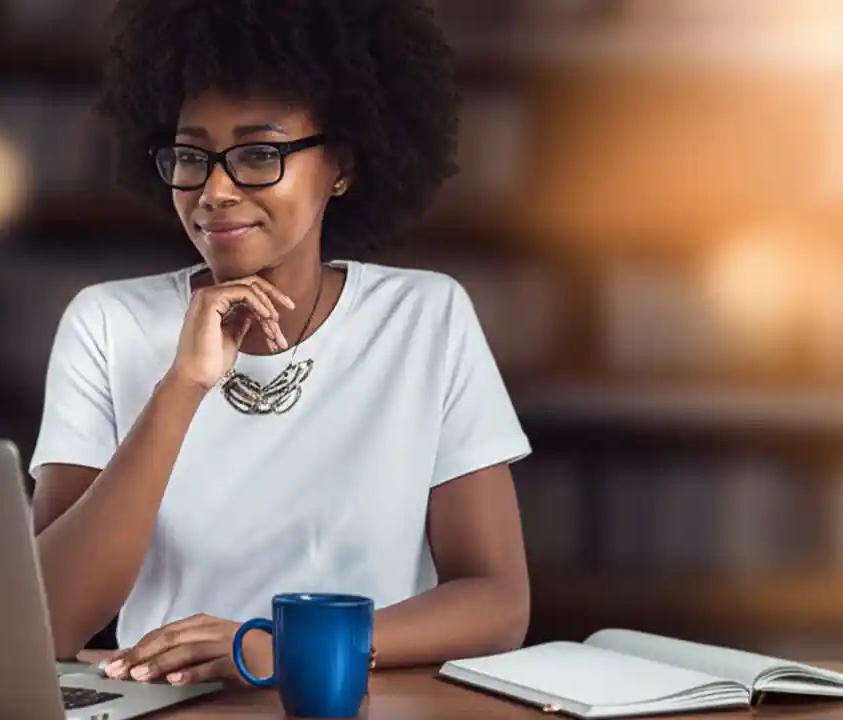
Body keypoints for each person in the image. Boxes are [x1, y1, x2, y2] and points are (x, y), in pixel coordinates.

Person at [29, 0, 532, 686]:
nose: (215, 190)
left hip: (355, 703)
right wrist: (182, 388)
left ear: (343, 165)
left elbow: (497, 602)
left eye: (260, 153)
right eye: (191, 156)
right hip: (165, 706)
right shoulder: (109, 324)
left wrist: (282, 648)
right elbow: (48, 621)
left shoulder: (424, 318)